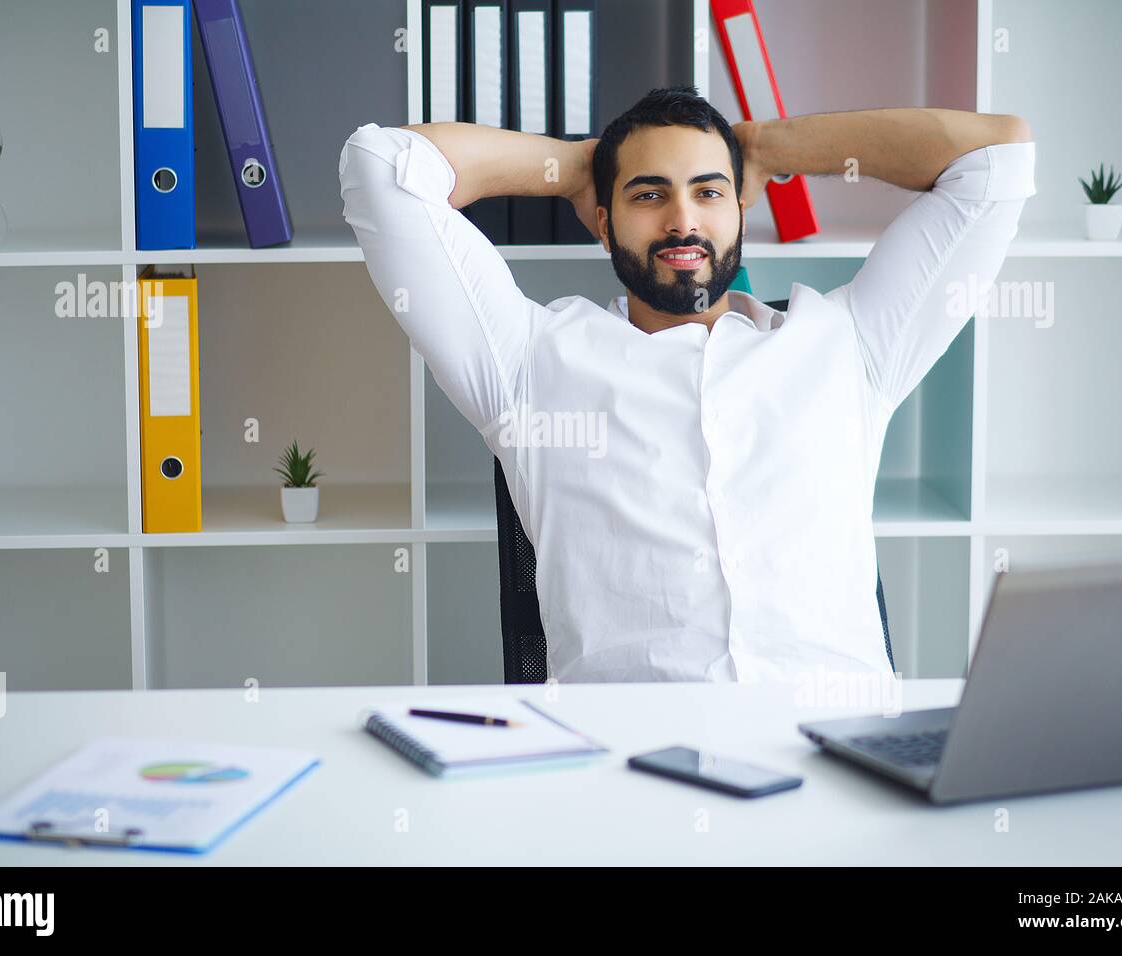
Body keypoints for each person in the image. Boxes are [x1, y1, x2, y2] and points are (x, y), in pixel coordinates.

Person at [339, 85, 1034, 682]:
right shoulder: (526, 361)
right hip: (629, 770)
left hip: (839, 755)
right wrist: (577, 164)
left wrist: (768, 148)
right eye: (649, 194)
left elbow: (996, 161)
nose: (683, 220)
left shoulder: (850, 344)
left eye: (710, 191)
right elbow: (381, 167)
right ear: (602, 221)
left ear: (740, 212)